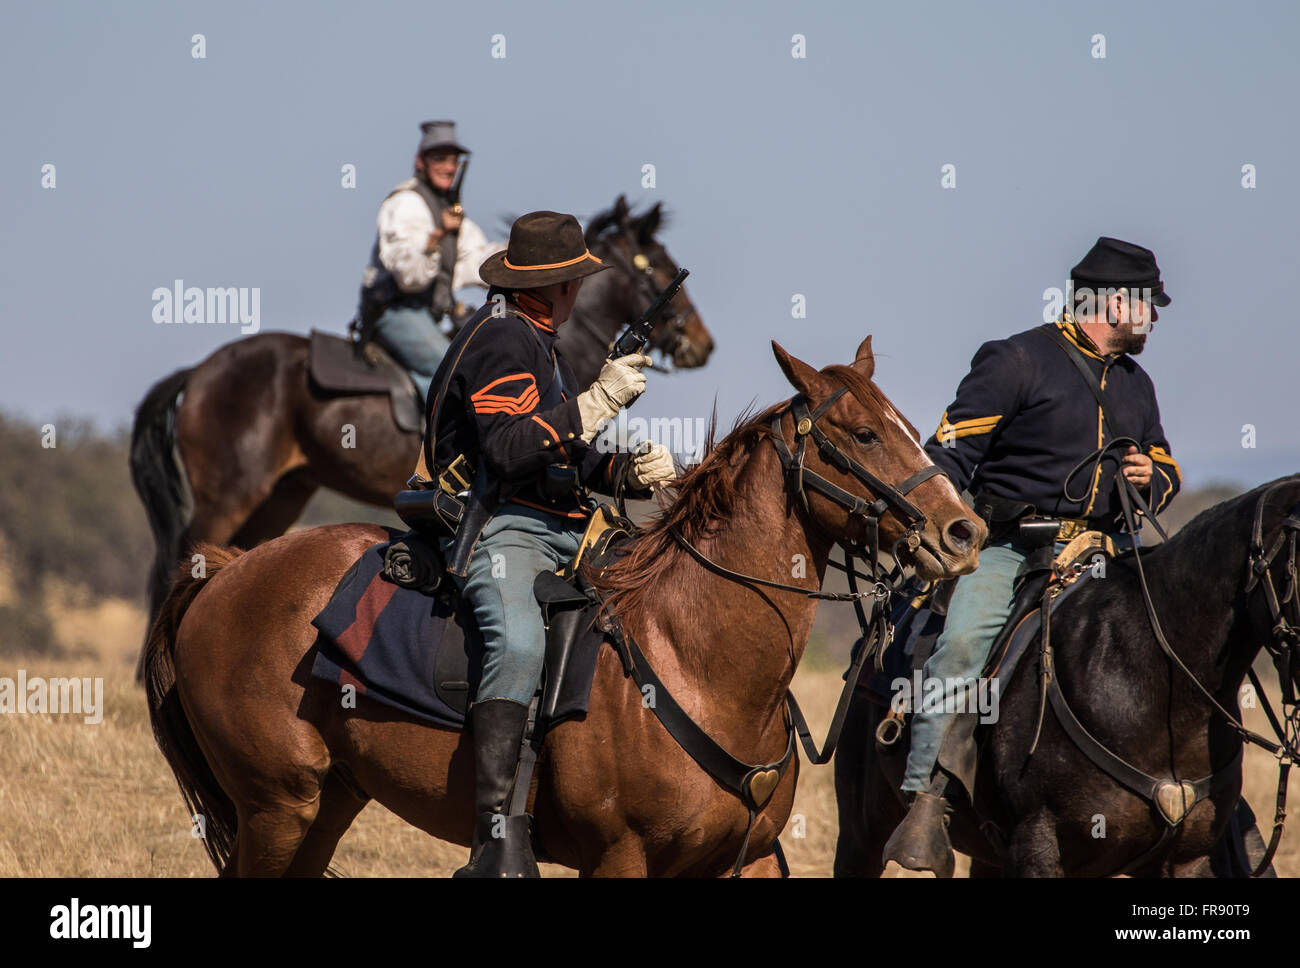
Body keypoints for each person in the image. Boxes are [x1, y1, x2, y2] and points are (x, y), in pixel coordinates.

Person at [884, 237, 1183, 874]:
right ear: (1117, 303)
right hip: (1015, 548)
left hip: (1111, 550)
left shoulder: (1137, 383)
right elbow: (945, 458)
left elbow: (1164, 462)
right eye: (1149, 304)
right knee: (961, 646)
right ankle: (927, 803)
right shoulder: (1015, 359)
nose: (1155, 316)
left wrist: (1146, 476)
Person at [410, 210, 677, 876]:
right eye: (575, 280)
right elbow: (506, 451)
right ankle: (495, 839)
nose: (580, 291)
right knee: (521, 640)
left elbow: (560, 460)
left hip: (561, 523)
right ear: (560, 285)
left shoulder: (538, 339)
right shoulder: (504, 339)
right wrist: (595, 403)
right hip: (504, 526)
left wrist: (624, 472)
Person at [357, 120, 504, 400]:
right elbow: (409, 276)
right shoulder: (406, 203)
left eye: (453, 160)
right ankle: (438, 443)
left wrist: (523, 253)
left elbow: (478, 261)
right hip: (396, 312)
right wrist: (437, 234)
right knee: (451, 370)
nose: (449, 167)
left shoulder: (447, 211)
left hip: (430, 316)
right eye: (440, 159)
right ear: (420, 161)